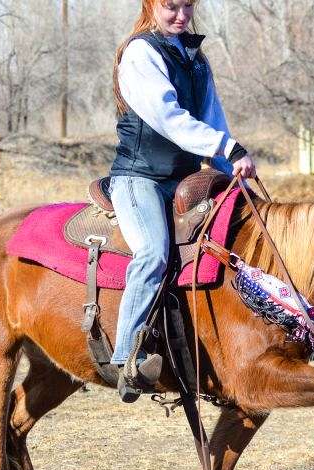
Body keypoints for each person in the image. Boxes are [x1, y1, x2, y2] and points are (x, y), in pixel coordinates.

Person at [108, 0, 256, 402]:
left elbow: (213, 119)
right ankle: (126, 358)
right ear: (151, 5)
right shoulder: (141, 52)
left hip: (185, 180)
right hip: (140, 178)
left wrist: (234, 162)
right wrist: (227, 145)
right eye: (171, 7)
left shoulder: (194, 57)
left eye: (187, 6)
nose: (180, 16)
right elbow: (168, 118)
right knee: (154, 255)